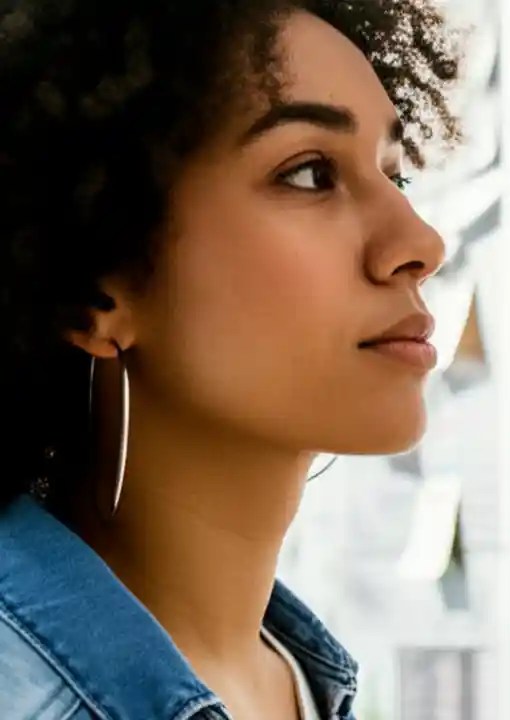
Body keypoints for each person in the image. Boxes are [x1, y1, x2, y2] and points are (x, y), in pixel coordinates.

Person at [0, 1, 459, 718]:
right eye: (310, 174)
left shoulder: (302, 676)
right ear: (93, 290)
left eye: (394, 175)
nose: (421, 242)